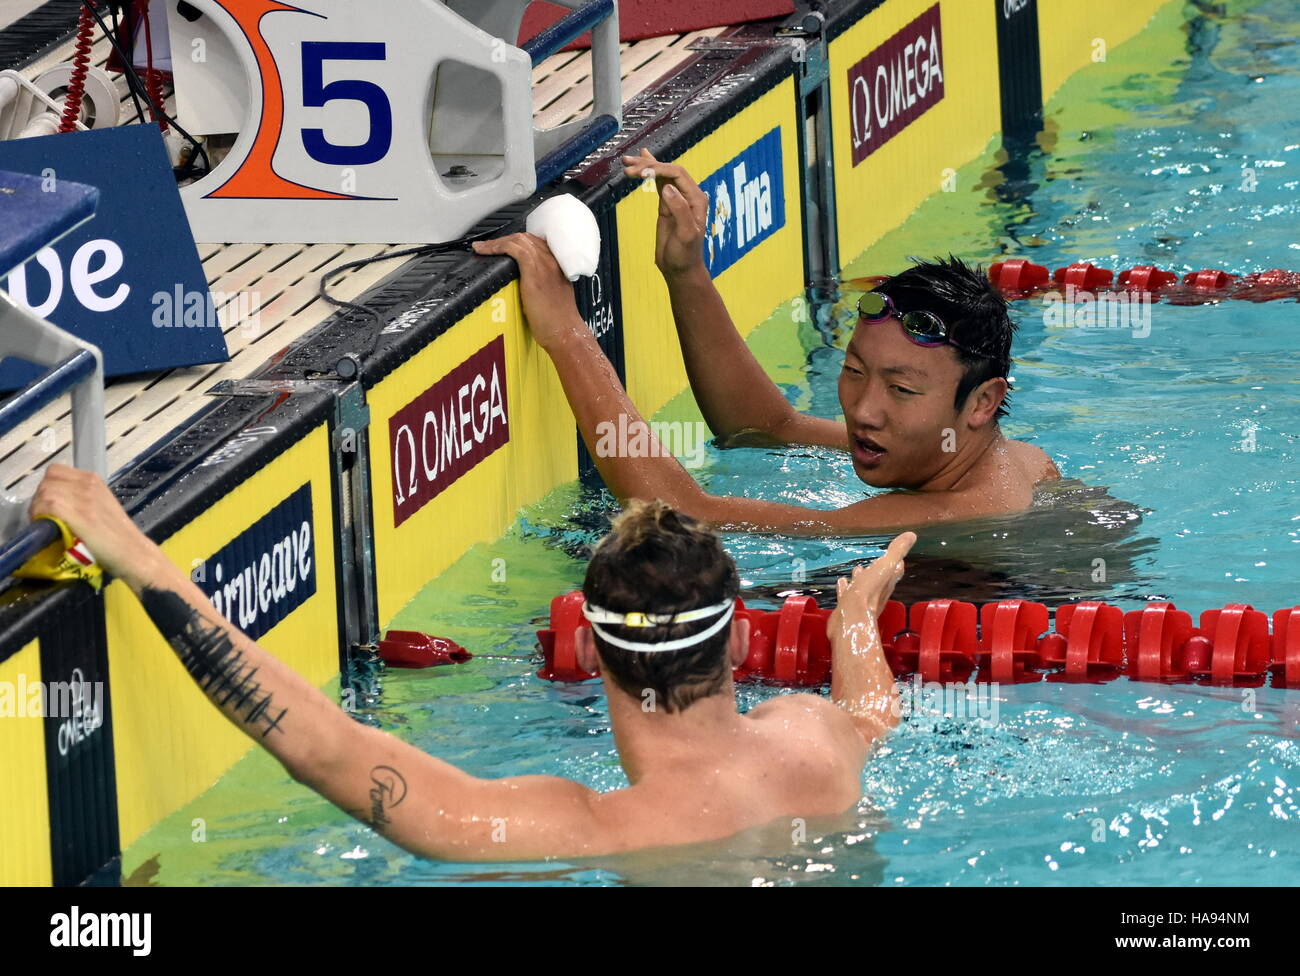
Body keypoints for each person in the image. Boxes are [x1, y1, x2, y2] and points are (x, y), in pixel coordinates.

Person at [27, 464, 914, 860]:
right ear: (744, 642)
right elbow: (873, 711)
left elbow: (326, 749)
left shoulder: (589, 828)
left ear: (583, 650)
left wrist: (142, 560)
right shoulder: (817, 738)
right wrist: (855, 624)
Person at [470, 148, 1060, 534]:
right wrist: (686, 271)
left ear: (982, 403)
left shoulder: (958, 512)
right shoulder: (962, 454)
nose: (863, 410)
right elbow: (761, 428)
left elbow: (685, 517)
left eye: (901, 390)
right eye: (854, 371)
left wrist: (568, 336)